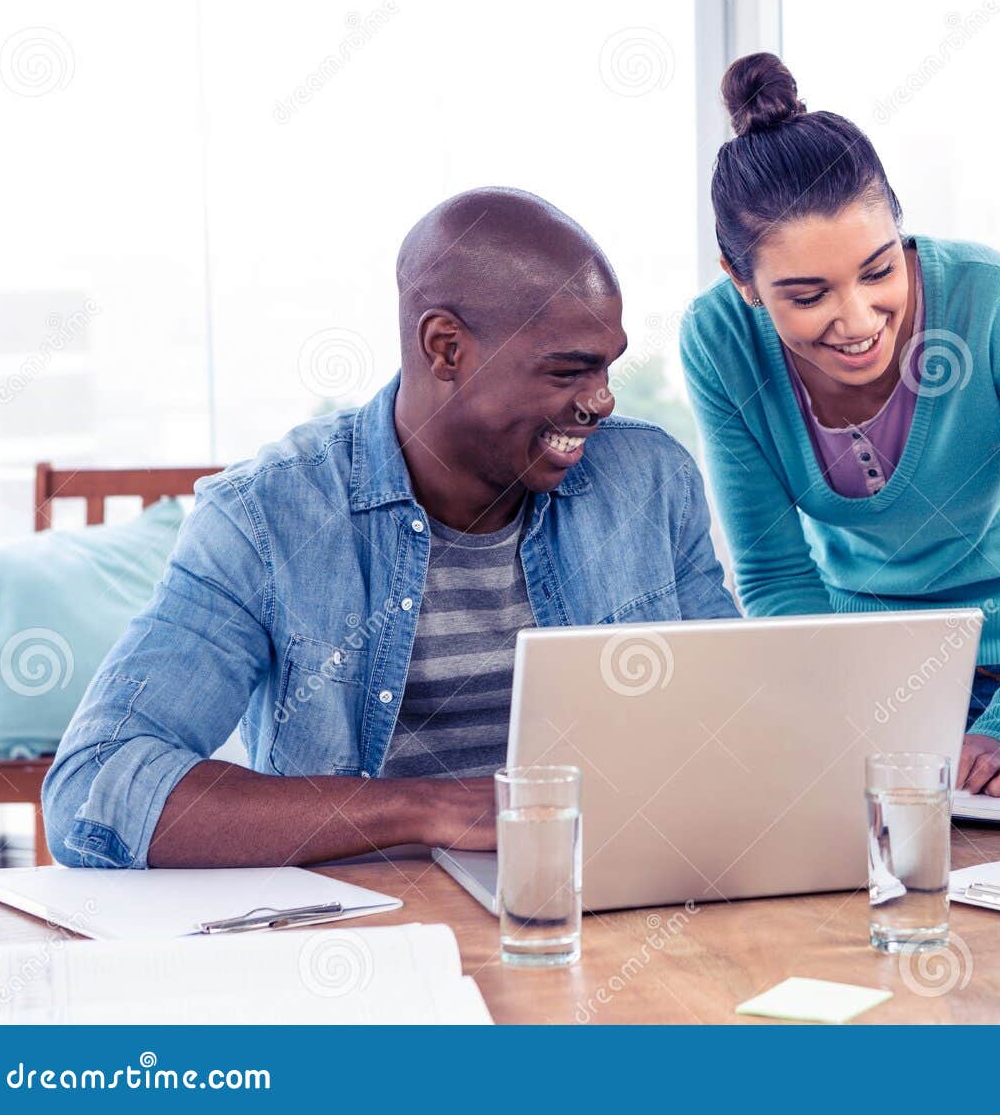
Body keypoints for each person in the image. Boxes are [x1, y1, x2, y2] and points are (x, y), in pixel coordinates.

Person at [43, 187, 738, 869]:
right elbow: (93, 787)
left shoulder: (652, 479)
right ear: (445, 348)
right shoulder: (266, 517)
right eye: (568, 371)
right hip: (364, 945)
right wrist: (429, 810)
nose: (601, 401)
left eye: (608, 366)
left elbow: (739, 723)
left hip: (605, 910)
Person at [680, 54, 1000, 795]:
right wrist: (845, 710)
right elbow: (775, 572)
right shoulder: (720, 340)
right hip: (854, 668)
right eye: (807, 294)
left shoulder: (994, 303)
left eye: (879, 269)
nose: (857, 321)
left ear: (900, 227)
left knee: (994, 901)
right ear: (741, 280)